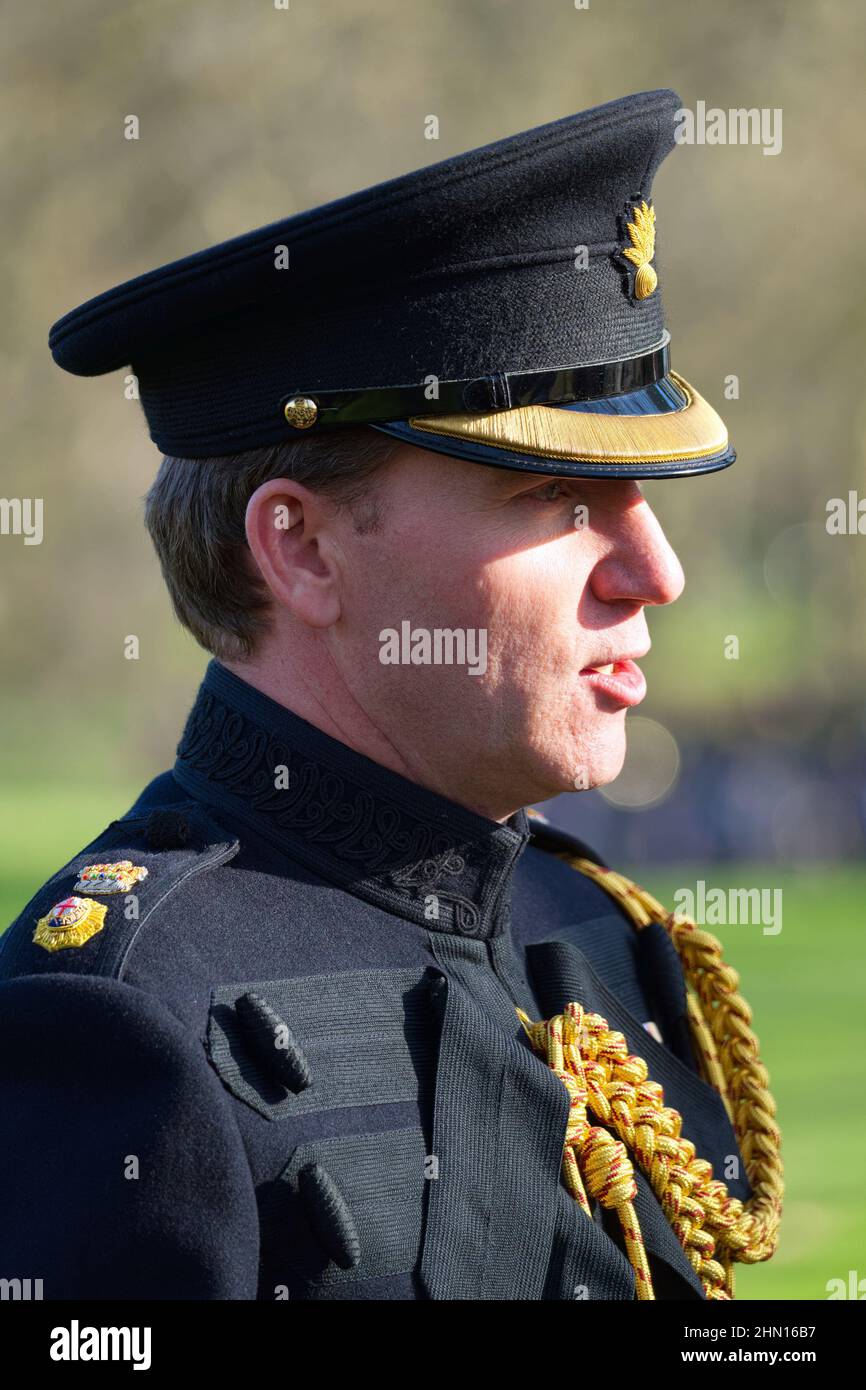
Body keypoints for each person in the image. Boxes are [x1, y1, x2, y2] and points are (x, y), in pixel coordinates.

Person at [0, 88, 781, 1301]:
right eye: (553, 503)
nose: (655, 572)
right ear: (304, 550)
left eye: (647, 501)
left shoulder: (592, 933)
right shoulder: (121, 1020)